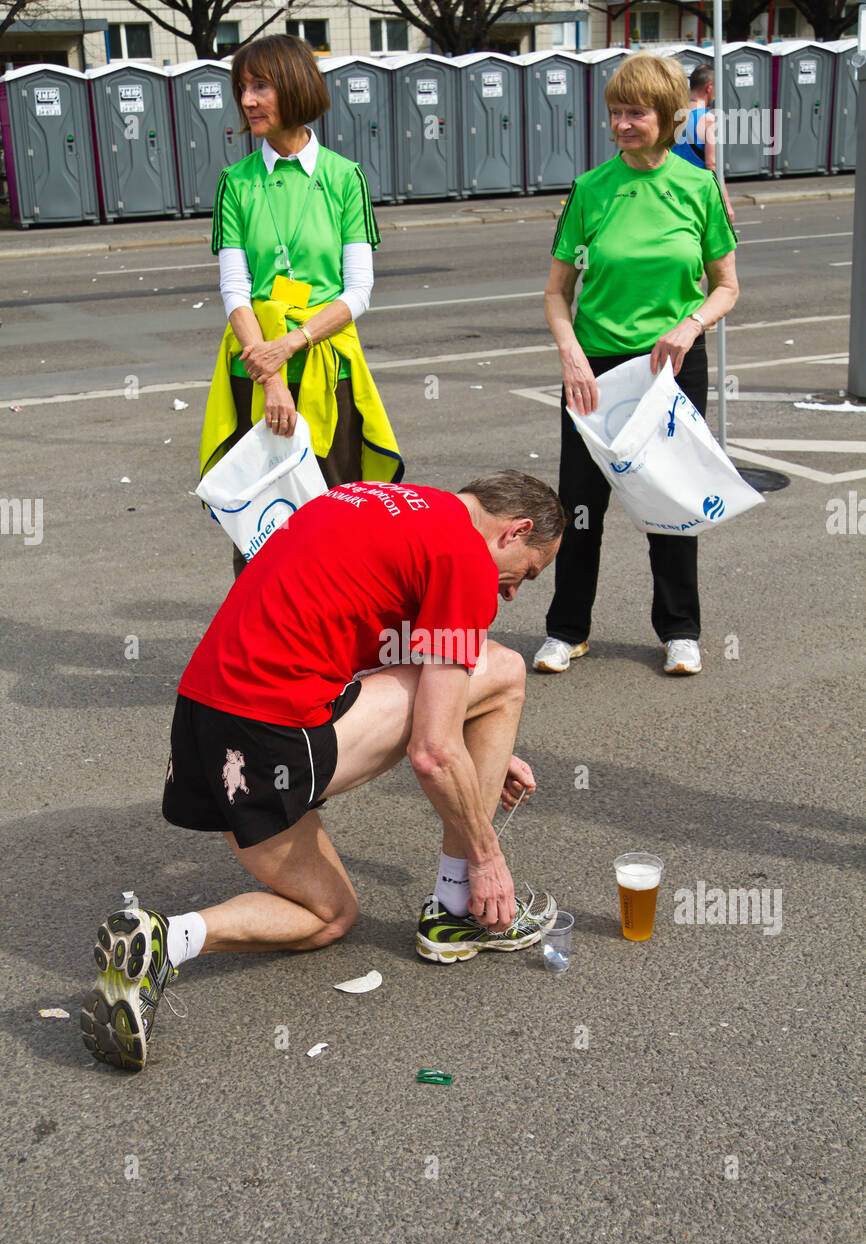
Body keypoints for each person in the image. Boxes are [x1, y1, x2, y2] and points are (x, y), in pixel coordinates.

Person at [81, 473, 566, 1073]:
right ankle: (457, 907)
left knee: (329, 916)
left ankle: (164, 939)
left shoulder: (369, 497)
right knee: (508, 669)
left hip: (203, 723)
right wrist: (488, 859)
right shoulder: (465, 556)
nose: (515, 593)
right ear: (517, 530)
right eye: (529, 570)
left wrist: (480, 737)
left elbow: (356, 624)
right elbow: (434, 753)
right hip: (271, 733)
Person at [533, 53, 738, 679]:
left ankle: (679, 630)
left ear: (669, 116)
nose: (623, 123)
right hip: (594, 368)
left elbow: (726, 287)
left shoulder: (699, 188)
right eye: (616, 112)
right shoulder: (591, 190)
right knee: (581, 507)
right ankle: (567, 631)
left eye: (637, 113)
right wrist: (570, 353)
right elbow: (554, 293)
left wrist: (690, 324)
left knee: (669, 499)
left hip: (672, 366)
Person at [200, 35, 402, 581]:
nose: (247, 100)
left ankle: (335, 641)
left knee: (333, 505)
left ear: (294, 86)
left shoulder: (344, 178)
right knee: (261, 511)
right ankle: (255, 646)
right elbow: (235, 290)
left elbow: (357, 291)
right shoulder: (235, 184)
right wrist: (270, 374)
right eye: (242, 88)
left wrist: (292, 343)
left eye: (259, 86)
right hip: (254, 362)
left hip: (323, 360)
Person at [672, 63, 736, 221]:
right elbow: (712, 165)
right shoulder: (708, 120)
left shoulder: (675, 115)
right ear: (709, 87)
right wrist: (726, 203)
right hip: (698, 195)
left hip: (673, 192)